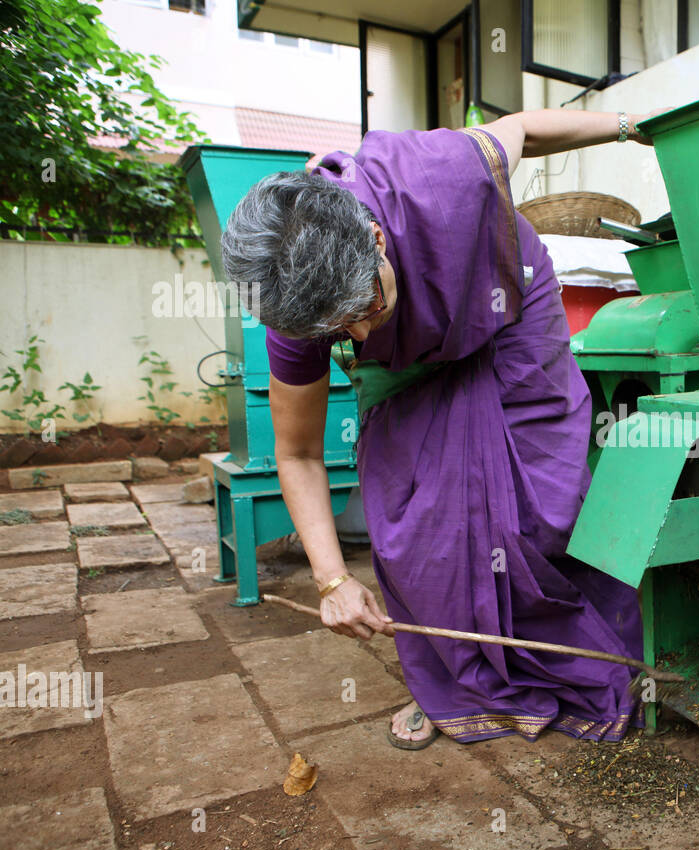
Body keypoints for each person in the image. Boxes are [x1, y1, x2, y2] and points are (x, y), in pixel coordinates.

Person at [220, 110, 656, 749]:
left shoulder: (446, 175)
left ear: (374, 236)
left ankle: (584, 671)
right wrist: (333, 580)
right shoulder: (301, 313)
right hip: (411, 361)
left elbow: (526, 129)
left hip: (508, 308)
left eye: (365, 308)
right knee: (415, 527)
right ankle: (459, 685)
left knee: (549, 507)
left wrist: (628, 125)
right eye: (341, 333)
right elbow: (299, 453)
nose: (361, 335)